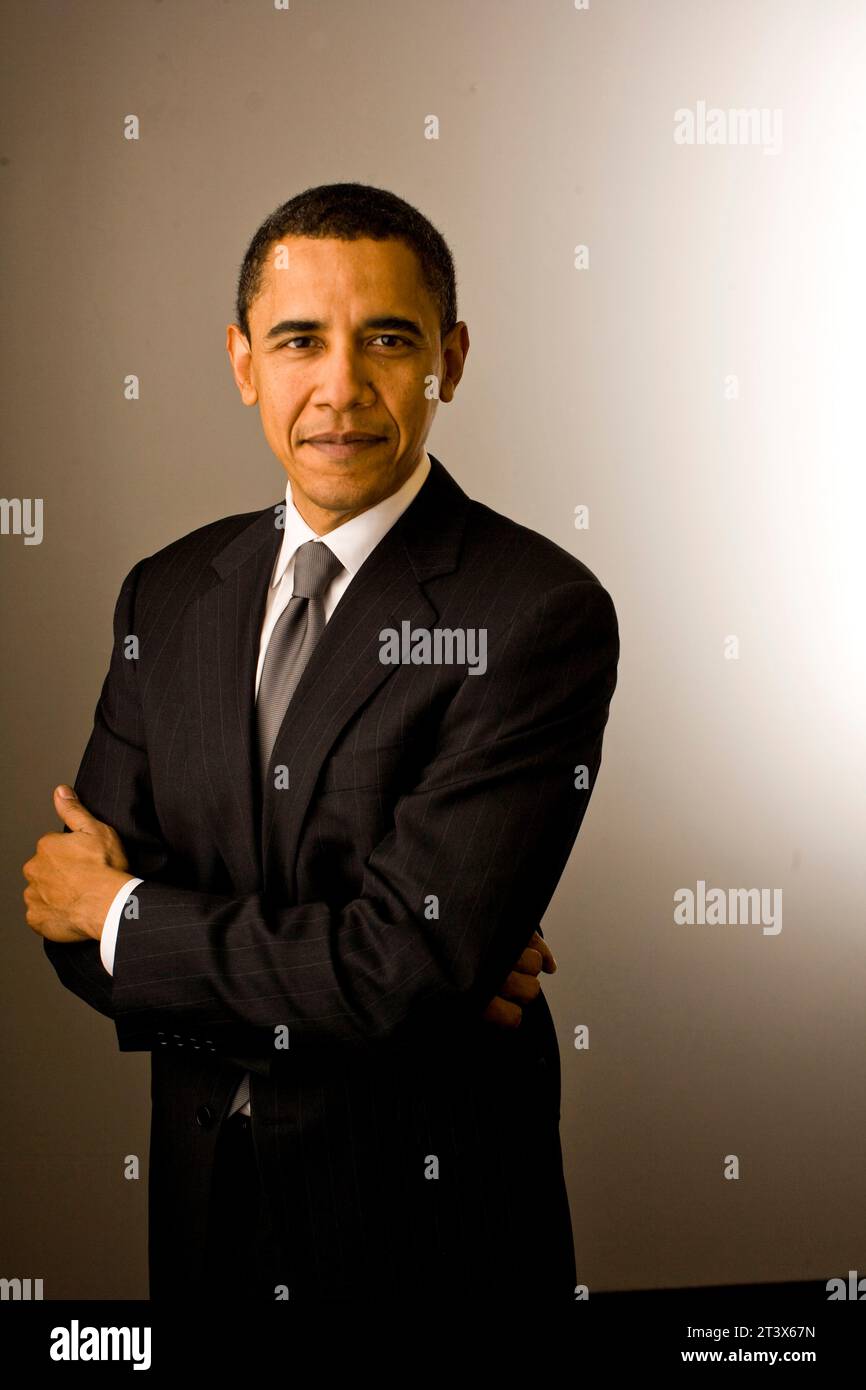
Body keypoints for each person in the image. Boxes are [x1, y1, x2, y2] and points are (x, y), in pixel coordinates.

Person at [24, 182, 620, 1305]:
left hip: (421, 1235)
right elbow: (66, 925)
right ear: (244, 362)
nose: (338, 388)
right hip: (207, 1210)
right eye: (299, 341)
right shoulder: (168, 593)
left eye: (386, 340)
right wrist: (362, 960)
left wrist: (131, 916)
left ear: (447, 357)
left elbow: (399, 973)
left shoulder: (534, 609)